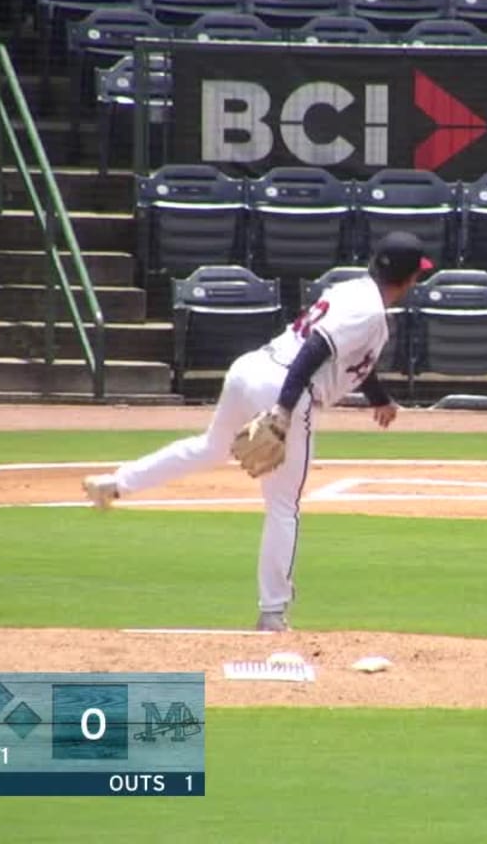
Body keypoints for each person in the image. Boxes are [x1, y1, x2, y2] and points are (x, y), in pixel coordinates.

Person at [81, 231, 435, 631]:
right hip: (284, 385)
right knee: (284, 506)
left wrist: (379, 399)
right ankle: (272, 612)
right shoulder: (369, 312)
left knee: (210, 448)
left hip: (250, 368)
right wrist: (283, 410)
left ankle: (115, 483)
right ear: (410, 280)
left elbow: (348, 358)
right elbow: (316, 348)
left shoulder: (352, 289)